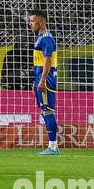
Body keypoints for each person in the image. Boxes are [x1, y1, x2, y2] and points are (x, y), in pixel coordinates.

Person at [30, 9, 59, 156]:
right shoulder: (41, 37)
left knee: (48, 111)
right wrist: (35, 81)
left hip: (46, 79)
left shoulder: (46, 38)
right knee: (44, 111)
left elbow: (48, 61)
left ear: (40, 22)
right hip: (41, 78)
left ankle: (53, 147)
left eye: (32, 21)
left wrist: (41, 80)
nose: (30, 24)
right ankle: (52, 146)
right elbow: (40, 61)